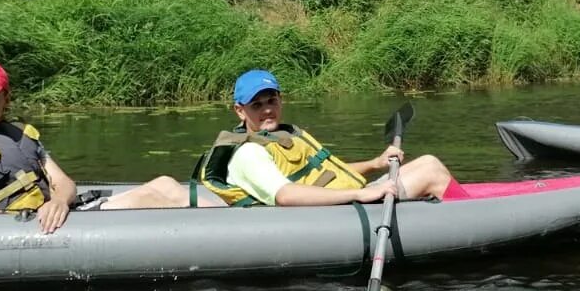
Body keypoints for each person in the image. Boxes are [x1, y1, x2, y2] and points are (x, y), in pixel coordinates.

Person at [0, 60, 205, 233]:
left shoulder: (21, 135)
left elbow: (62, 182)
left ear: (5, 99)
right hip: (12, 226)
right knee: (152, 195)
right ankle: (244, 228)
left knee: (165, 183)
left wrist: (61, 202)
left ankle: (244, 220)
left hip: (54, 214)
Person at [193, 70, 467, 207]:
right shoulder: (248, 154)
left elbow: (326, 173)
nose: (267, 109)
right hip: (332, 214)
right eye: (257, 105)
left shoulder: (282, 135)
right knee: (430, 173)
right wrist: (361, 192)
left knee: (428, 162)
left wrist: (375, 163)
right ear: (240, 111)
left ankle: (464, 204)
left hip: (344, 202)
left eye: (271, 100)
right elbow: (286, 195)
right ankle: (473, 220)